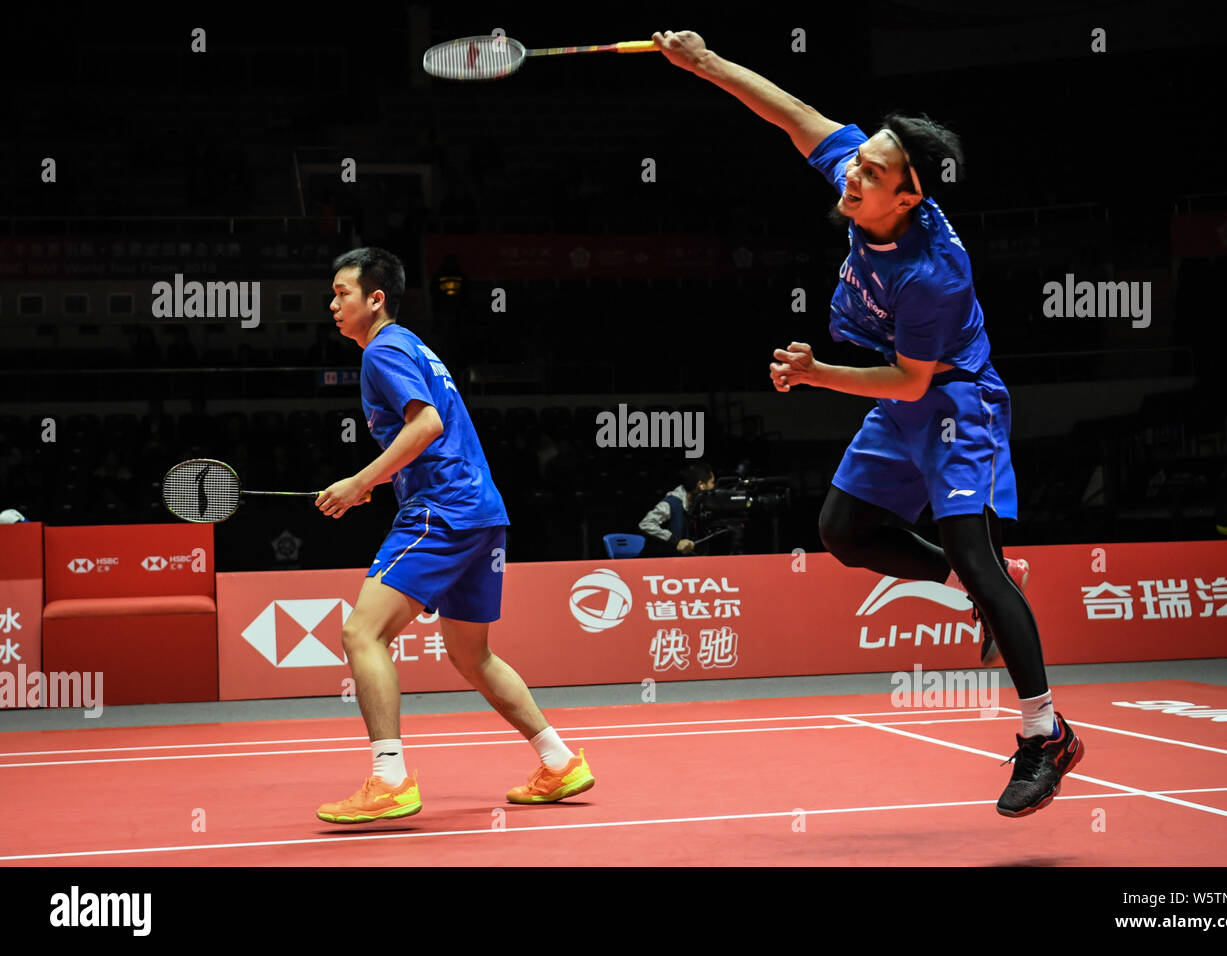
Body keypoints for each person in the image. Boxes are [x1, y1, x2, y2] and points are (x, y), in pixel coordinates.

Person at [654, 30, 1081, 817]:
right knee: (845, 529)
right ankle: (980, 588)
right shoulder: (863, 176)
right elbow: (792, 115)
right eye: (860, 161)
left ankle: (1043, 733)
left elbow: (910, 379)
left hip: (955, 399)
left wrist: (815, 374)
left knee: (969, 545)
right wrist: (704, 63)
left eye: (872, 172)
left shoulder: (933, 275)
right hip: (903, 397)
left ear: (909, 196)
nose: (853, 173)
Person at [314, 247, 594, 824]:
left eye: (343, 293)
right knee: (472, 655)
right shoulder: (413, 344)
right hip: (481, 510)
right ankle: (560, 760)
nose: (333, 304)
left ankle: (389, 778)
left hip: (442, 508)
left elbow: (427, 424)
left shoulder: (384, 350)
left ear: (376, 298)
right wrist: (378, 481)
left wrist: (361, 482)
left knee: (361, 633)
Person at [639, 462, 715, 556]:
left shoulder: (698, 505)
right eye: (712, 482)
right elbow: (646, 524)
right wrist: (676, 541)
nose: (713, 487)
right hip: (661, 561)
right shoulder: (672, 503)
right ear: (701, 485)